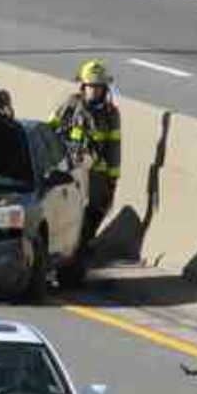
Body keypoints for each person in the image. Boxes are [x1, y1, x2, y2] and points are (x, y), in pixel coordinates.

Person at [48, 59, 122, 253]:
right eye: (91, 86)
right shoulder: (71, 104)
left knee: (97, 208)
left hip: (96, 171)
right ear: (83, 85)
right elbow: (49, 129)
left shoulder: (110, 113)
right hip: (69, 167)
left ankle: (84, 243)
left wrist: (113, 177)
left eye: (99, 87)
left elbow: (114, 146)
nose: (94, 91)